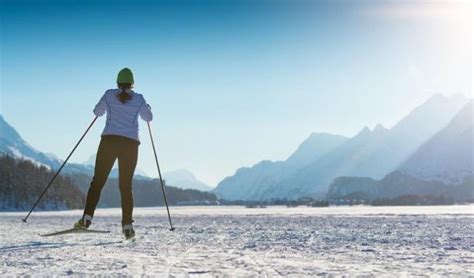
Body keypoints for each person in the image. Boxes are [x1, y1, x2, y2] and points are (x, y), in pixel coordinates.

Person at [74, 68, 153, 239]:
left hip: (109, 141)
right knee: (126, 186)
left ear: (117, 82)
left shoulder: (109, 95)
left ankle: (86, 219)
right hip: (131, 144)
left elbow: (97, 112)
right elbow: (148, 118)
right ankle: (127, 226)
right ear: (132, 83)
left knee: (98, 181)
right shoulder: (139, 98)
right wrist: (147, 107)